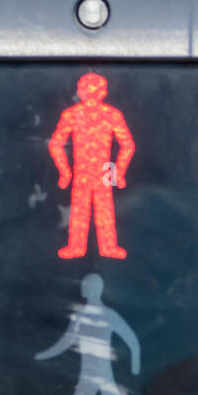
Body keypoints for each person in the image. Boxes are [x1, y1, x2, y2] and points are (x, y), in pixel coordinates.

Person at [48, 72, 135, 259]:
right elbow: (56, 144)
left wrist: (118, 172)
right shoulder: (72, 115)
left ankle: (108, 247)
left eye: (94, 90)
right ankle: (77, 246)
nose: (91, 95)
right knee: (80, 210)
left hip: (103, 171)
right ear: (80, 91)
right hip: (83, 171)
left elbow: (127, 144)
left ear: (103, 92)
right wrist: (65, 172)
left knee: (104, 211)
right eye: (87, 90)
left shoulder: (112, 115)